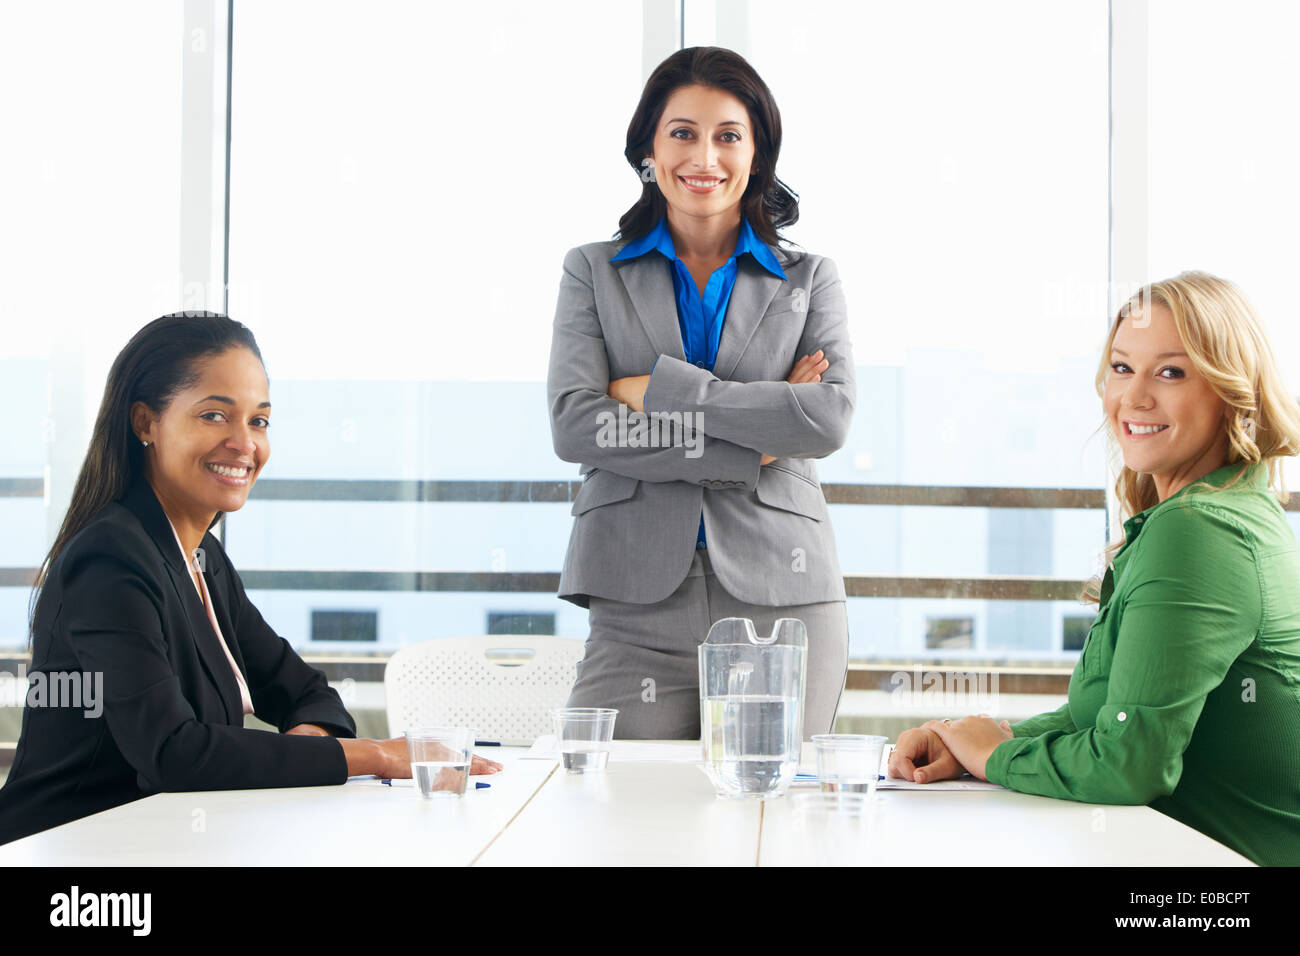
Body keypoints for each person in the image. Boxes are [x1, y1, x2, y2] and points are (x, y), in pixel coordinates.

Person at [0, 312, 500, 845]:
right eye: (215, 415)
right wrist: (374, 755)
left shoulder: (202, 558)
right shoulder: (109, 558)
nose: (245, 444)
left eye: (258, 421)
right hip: (74, 857)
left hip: (170, 843)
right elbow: (174, 753)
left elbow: (309, 694)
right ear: (146, 423)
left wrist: (309, 752)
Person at [888, 272, 1300, 866]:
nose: (1133, 398)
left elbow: (1129, 765)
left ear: (1232, 391)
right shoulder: (1226, 509)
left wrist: (995, 757)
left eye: (1172, 371)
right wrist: (972, 741)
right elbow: (1114, 719)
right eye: (1122, 367)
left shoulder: (1201, 531)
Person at [547, 47, 856, 738]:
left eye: (728, 136)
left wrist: (661, 390)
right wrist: (756, 438)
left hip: (785, 602)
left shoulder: (810, 278)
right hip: (634, 604)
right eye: (683, 133)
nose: (704, 157)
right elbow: (576, 425)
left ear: (757, 152)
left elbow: (826, 419)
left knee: (772, 825)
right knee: (616, 816)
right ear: (648, 149)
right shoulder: (593, 271)